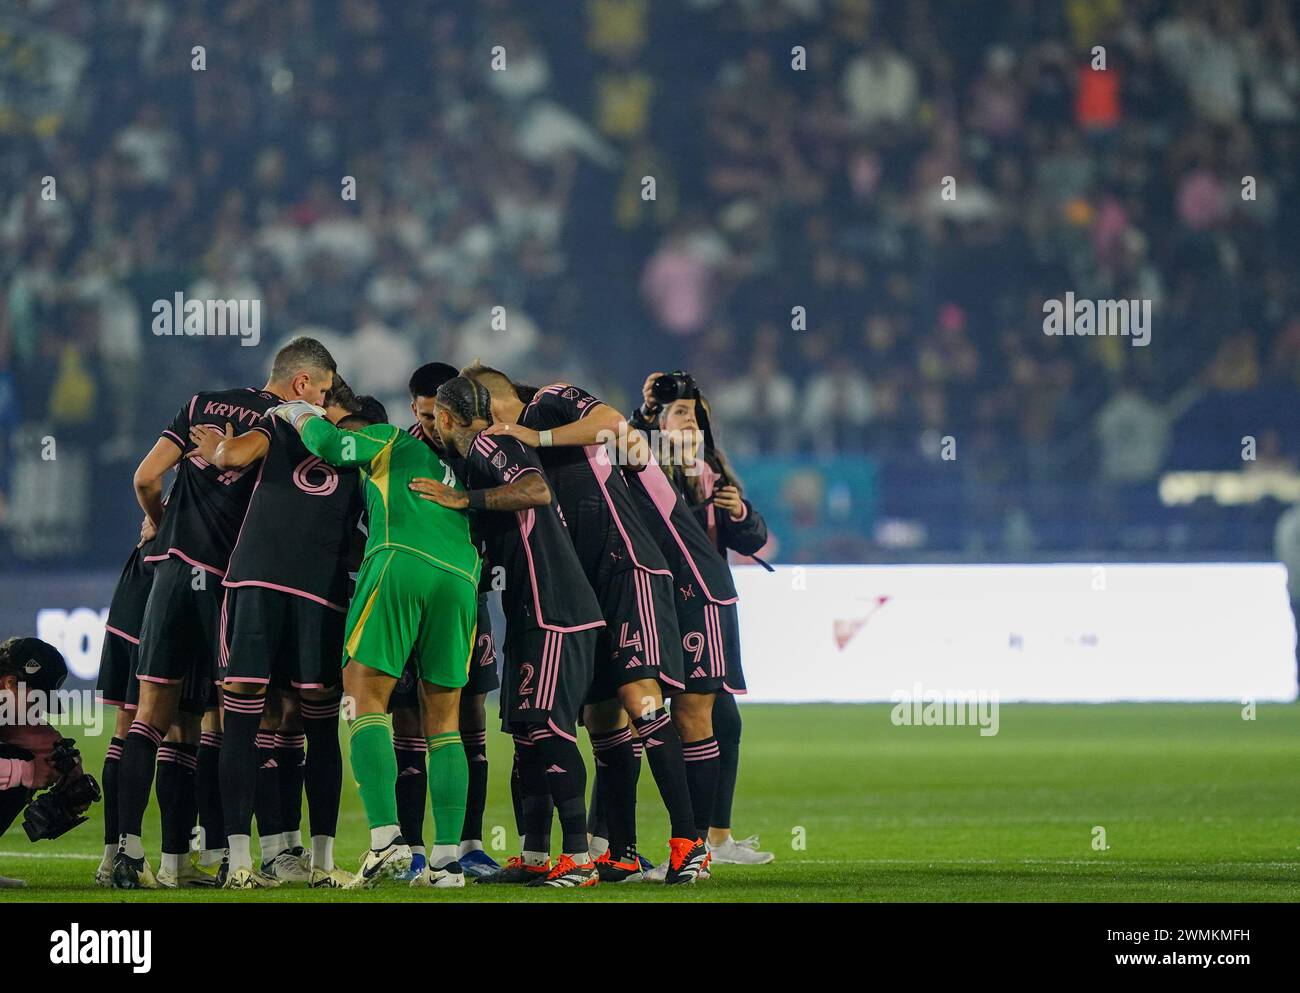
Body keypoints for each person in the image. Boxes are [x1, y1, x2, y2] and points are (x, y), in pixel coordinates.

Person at [463, 363, 706, 883]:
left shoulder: (548, 402)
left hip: (628, 567)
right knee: (601, 722)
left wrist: (535, 433)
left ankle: (690, 842)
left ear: (490, 401)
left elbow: (615, 423)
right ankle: (620, 849)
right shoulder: (511, 453)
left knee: (641, 700)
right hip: (586, 590)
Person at [111, 337, 337, 890]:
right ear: (302, 382)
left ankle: (129, 855)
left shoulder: (199, 403)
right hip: (228, 581)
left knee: (152, 719)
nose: (326, 405)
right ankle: (228, 854)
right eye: (324, 391)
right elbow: (249, 467)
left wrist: (160, 519)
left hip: (165, 572)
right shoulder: (283, 419)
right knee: (232, 719)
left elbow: (145, 478)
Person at [272, 391, 481, 889]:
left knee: (364, 700)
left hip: (399, 559)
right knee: (445, 723)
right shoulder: (461, 469)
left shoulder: (389, 441)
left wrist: (299, 413)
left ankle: (386, 837)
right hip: (461, 579)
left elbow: (332, 447)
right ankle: (447, 863)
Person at [412, 375, 605, 887]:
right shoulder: (479, 452)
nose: (428, 428)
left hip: (554, 607)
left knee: (548, 727)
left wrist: (465, 501)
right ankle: (535, 856)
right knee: (526, 734)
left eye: (432, 419)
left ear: (449, 417)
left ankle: (581, 860)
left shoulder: (489, 442)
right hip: (527, 609)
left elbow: (535, 490)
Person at [190, 380, 378, 888]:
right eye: (319, 405)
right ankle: (241, 861)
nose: (319, 415)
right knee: (245, 715)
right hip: (263, 584)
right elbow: (234, 454)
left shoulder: (362, 461)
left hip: (316, 595)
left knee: (316, 727)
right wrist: (221, 449)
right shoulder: (282, 423)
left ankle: (318, 862)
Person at [632, 371, 775, 865]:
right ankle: (647, 843)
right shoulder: (648, 463)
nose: (688, 421)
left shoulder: (711, 467)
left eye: (694, 414)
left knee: (723, 721)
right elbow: (666, 531)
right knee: (639, 727)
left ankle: (711, 839)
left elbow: (752, 542)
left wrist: (740, 514)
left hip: (703, 610)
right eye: (677, 413)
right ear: (656, 422)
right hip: (666, 605)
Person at [399, 362, 501, 880]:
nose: (433, 426)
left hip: (469, 595)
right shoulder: (403, 451)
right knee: (412, 720)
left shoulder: (478, 448)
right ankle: (412, 847)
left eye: (435, 416)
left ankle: (469, 843)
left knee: (473, 715)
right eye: (423, 415)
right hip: (413, 599)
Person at [1, 638, 94, 888]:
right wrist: (25, 772)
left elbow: (38, 737)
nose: (39, 710)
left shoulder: (7, 701)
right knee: (22, 765)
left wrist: (69, 770)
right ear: (11, 684)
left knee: (33, 762)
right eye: (38, 699)